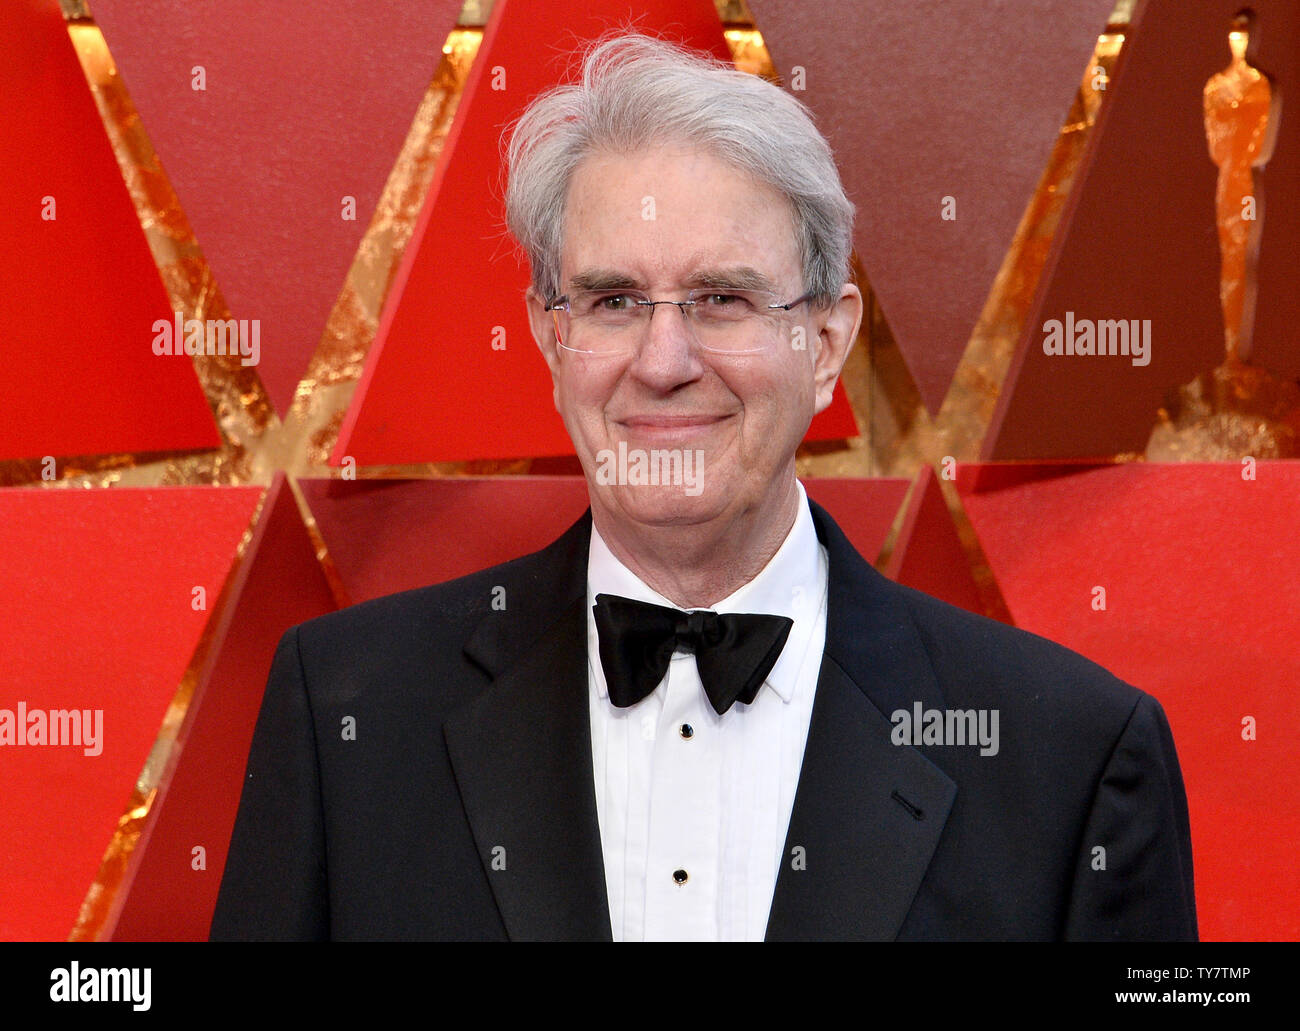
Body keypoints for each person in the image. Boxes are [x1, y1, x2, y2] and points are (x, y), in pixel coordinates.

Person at [210, 32, 1196, 941]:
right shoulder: (345, 713)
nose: (663, 358)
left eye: (722, 298)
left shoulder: (1071, 756)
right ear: (554, 339)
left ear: (825, 342)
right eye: (612, 300)